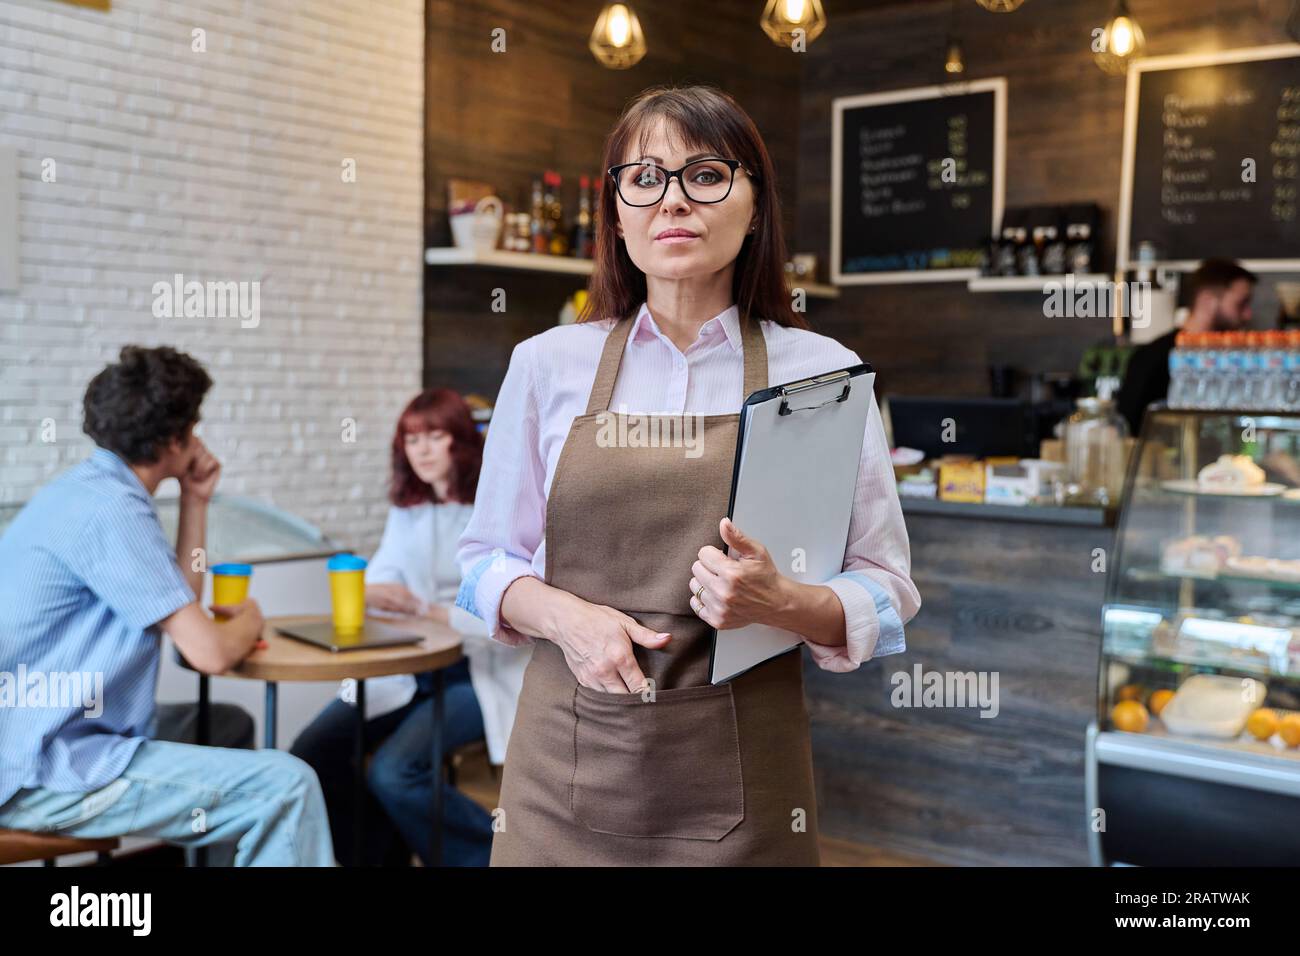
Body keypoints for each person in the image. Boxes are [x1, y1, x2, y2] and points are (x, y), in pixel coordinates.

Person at [456, 85, 921, 866]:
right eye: (645, 178)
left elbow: (885, 589)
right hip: (562, 769)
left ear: (754, 204)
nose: (673, 200)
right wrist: (569, 619)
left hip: (742, 770)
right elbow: (481, 567)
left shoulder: (824, 376)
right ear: (616, 213)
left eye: (706, 175)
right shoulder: (545, 366)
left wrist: (784, 602)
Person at [0, 346, 333, 866]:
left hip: (33, 736)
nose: (199, 439)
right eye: (195, 426)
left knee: (223, 725)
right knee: (288, 786)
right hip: (41, 769)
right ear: (174, 438)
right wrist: (250, 618)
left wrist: (195, 499)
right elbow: (211, 654)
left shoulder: (91, 490)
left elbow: (181, 595)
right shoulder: (112, 510)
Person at [290, 388, 528, 866]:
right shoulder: (409, 511)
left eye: (433, 436)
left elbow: (512, 604)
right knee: (311, 753)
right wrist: (376, 591)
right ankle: (378, 854)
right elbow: (383, 574)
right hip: (410, 670)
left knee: (397, 773)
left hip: (478, 673)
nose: (419, 449)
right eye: (410, 438)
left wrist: (441, 615)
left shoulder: (499, 505)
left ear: (459, 441)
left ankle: (498, 858)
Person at [1117, 258, 1257, 434]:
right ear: (1208, 301)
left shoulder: (1243, 363)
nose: (1248, 315)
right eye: (1241, 304)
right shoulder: (1153, 358)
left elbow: (1248, 429)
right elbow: (1127, 431)